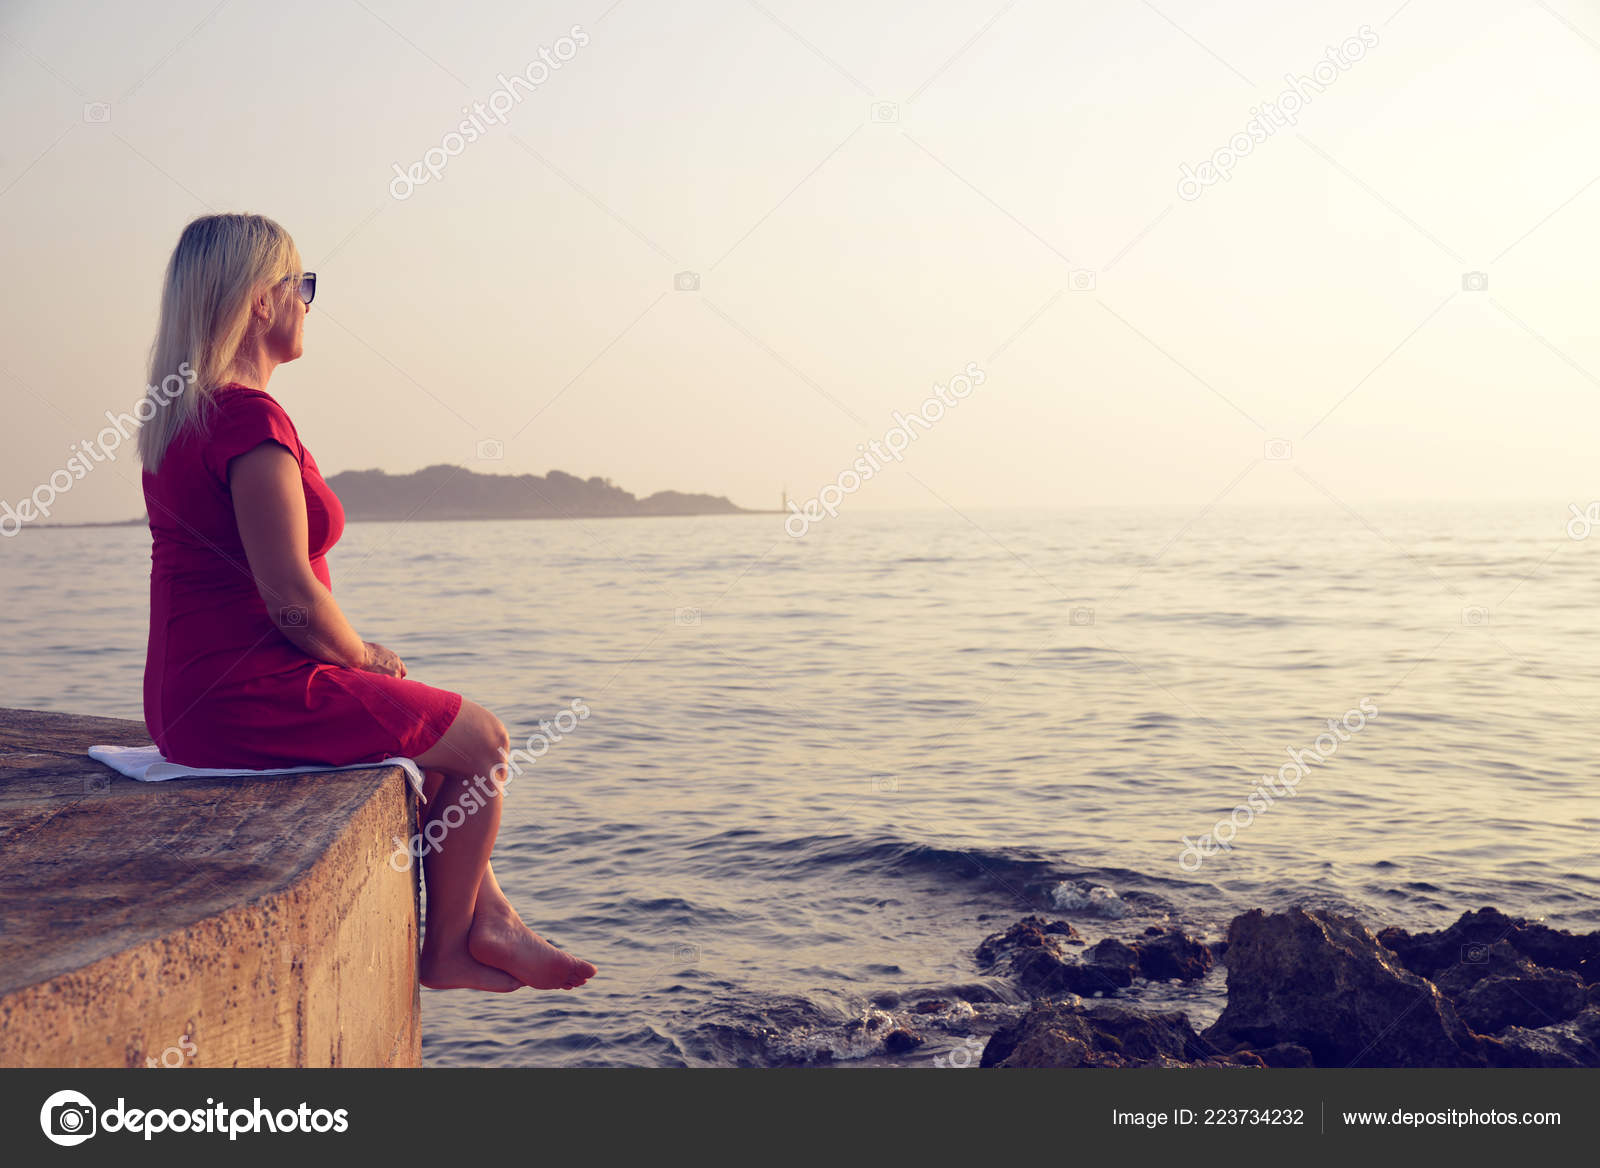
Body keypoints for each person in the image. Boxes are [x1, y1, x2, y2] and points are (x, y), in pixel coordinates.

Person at [138, 212, 596, 994]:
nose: (309, 303)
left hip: (189, 697)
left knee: (430, 728)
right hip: (244, 695)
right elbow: (289, 598)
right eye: (302, 286)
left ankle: (490, 917)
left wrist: (363, 664)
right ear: (260, 301)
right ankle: (450, 947)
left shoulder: (186, 418)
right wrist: (362, 656)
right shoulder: (249, 419)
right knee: (484, 741)